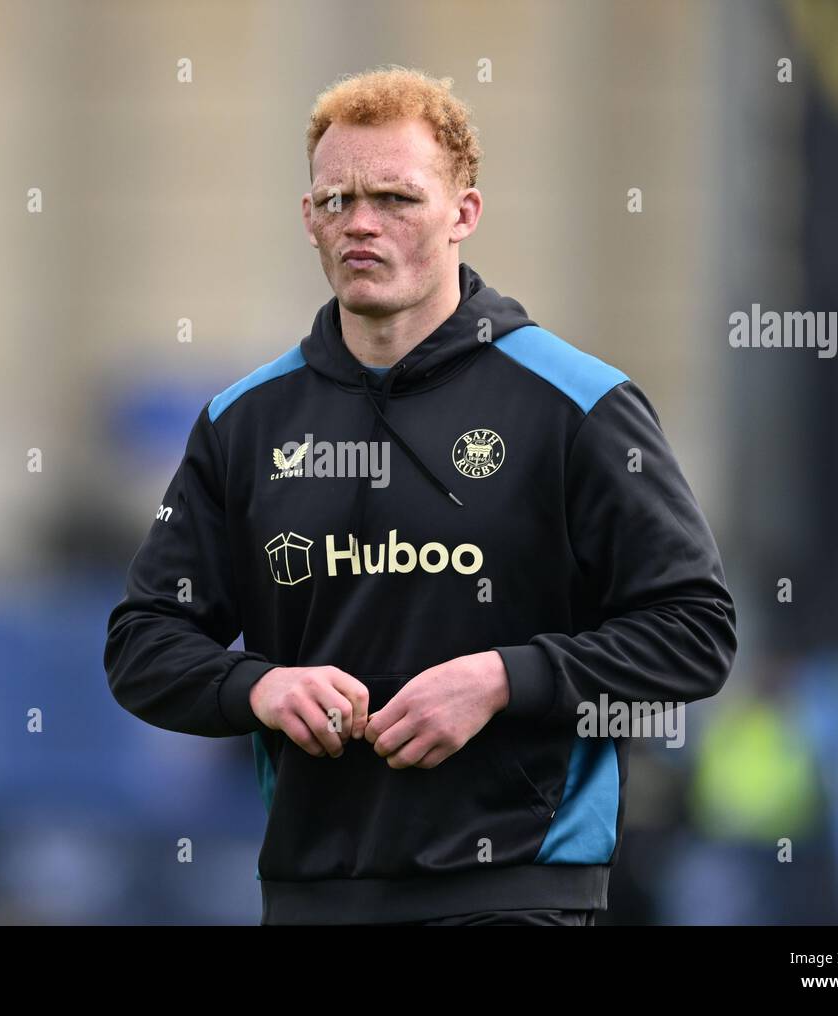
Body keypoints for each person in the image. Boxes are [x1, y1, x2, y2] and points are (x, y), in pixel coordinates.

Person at [104, 65, 737, 925]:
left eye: (397, 199)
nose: (361, 223)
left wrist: (503, 679)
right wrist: (258, 687)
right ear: (309, 220)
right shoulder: (243, 422)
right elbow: (143, 643)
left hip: (517, 890)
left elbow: (695, 634)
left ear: (463, 215)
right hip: (313, 896)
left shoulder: (579, 404)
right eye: (337, 200)